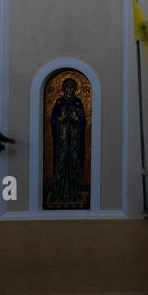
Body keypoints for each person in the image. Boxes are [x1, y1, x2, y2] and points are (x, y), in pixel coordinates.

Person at [50, 77, 86, 205]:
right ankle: (58, 191)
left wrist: (76, 119)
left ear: (75, 89)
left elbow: (83, 121)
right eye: (67, 87)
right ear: (64, 88)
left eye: (72, 87)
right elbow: (53, 121)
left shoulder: (77, 102)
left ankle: (75, 192)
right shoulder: (59, 102)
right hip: (62, 140)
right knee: (61, 161)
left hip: (74, 140)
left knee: (74, 162)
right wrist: (61, 119)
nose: (69, 89)